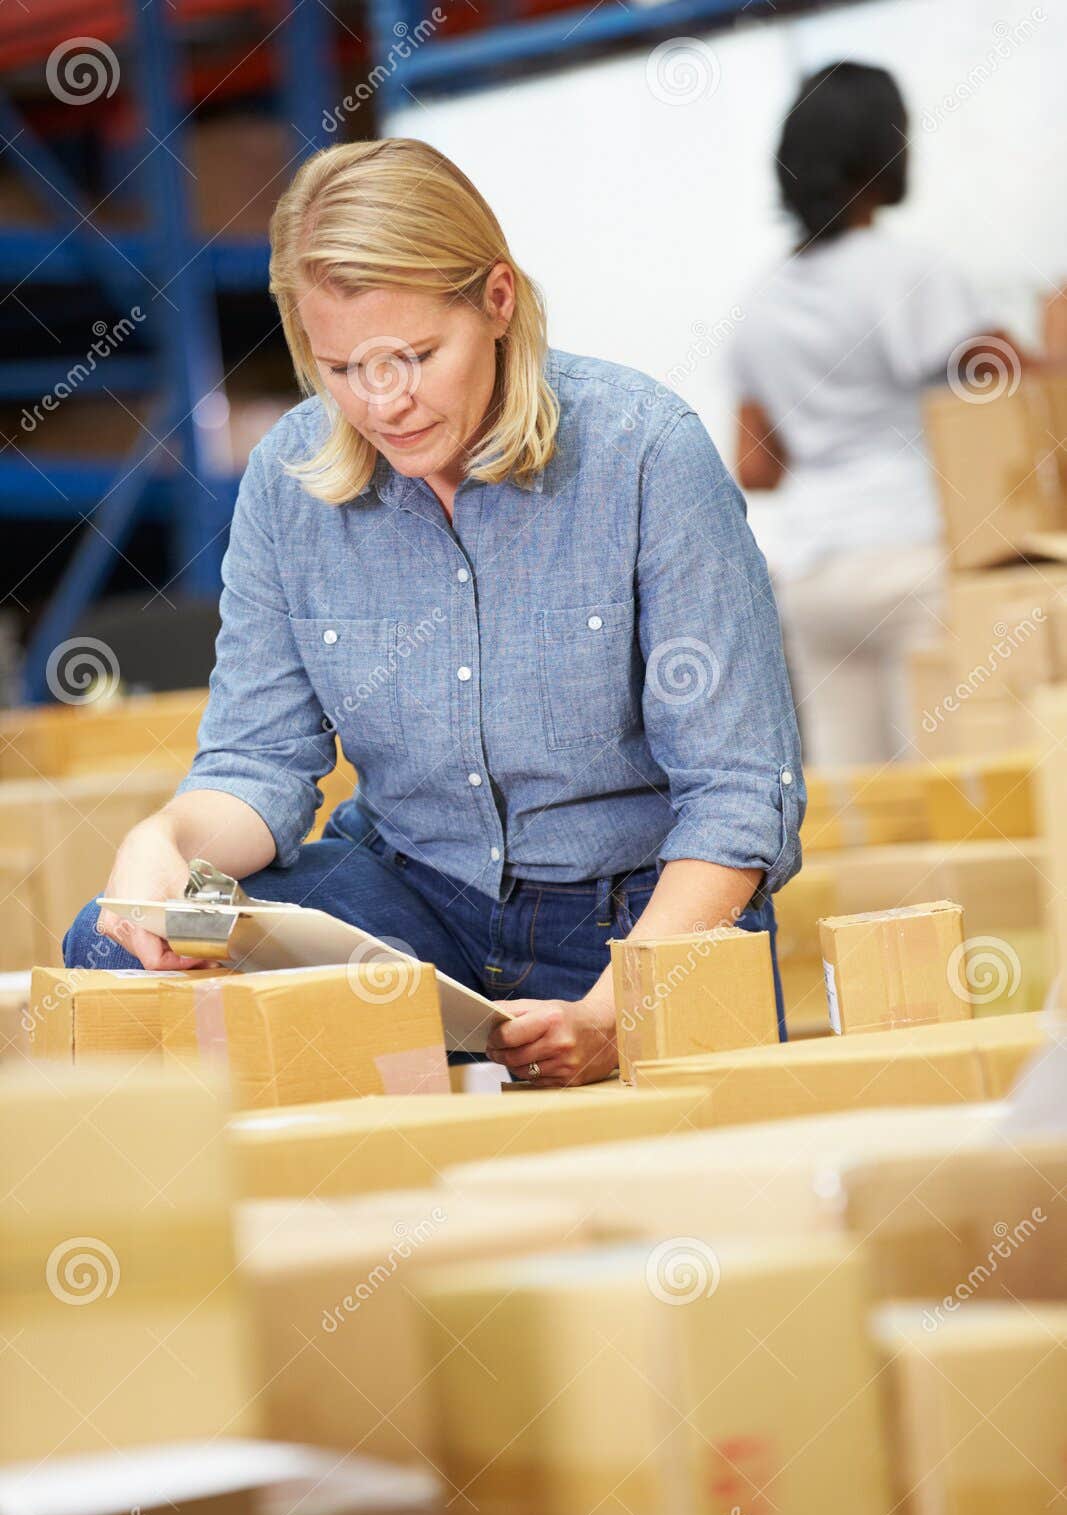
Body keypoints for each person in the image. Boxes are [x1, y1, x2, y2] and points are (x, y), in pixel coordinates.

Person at [63, 137, 804, 1086]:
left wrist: (623, 1005)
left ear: (496, 301)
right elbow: (259, 764)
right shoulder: (290, 486)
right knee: (114, 944)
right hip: (415, 902)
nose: (385, 402)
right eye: (342, 368)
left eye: (416, 355)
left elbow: (739, 796)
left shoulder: (645, 455)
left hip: (637, 917)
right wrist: (157, 842)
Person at [728, 62, 1027, 766]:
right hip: (913, 555)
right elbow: (1016, 387)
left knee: (857, 809)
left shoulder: (760, 299)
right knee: (955, 786)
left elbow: (756, 468)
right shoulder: (909, 272)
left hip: (813, 579)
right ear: (884, 153)